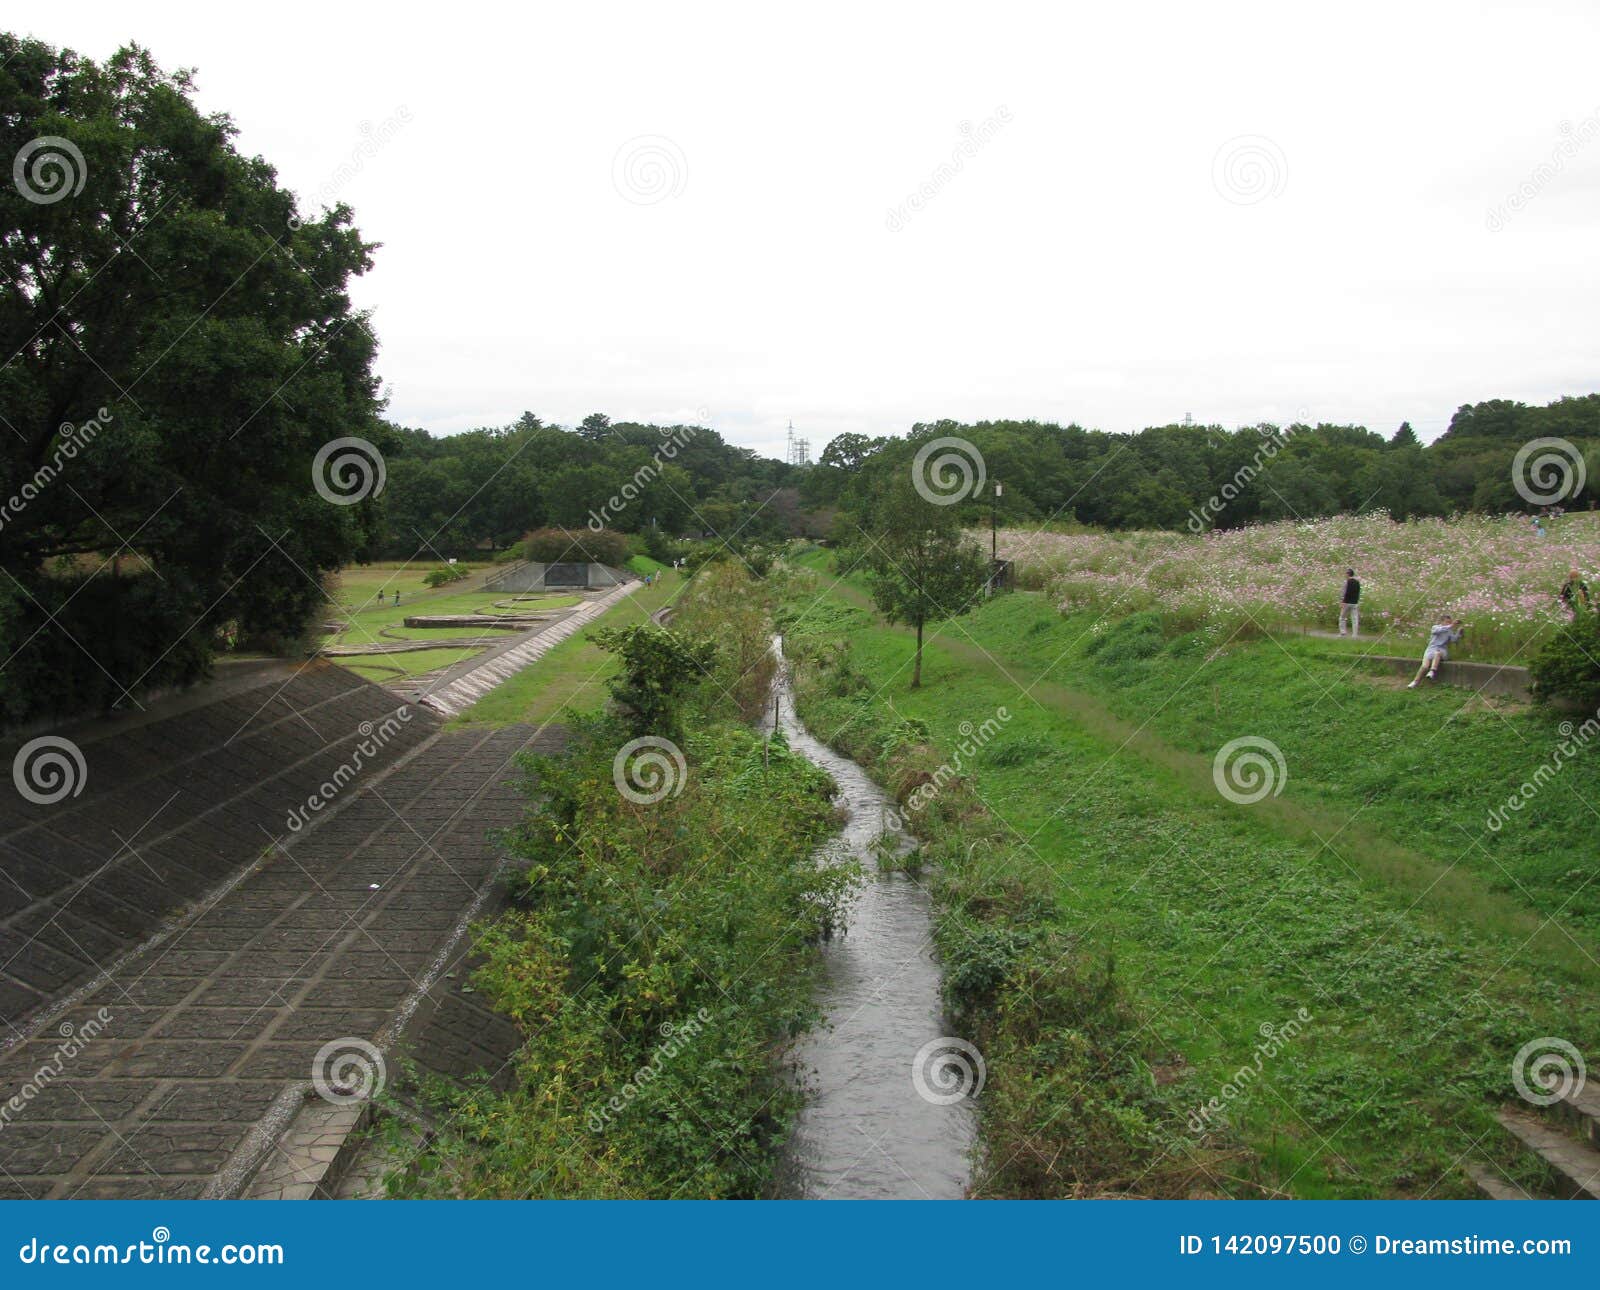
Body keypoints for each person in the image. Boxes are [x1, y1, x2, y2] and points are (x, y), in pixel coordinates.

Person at [1407, 618, 1464, 688]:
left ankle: (1432, 671)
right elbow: (1437, 631)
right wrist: (1452, 625)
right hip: (1431, 649)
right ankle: (1415, 682)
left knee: (1437, 653)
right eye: (1447, 622)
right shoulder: (1435, 627)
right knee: (1424, 666)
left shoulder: (1449, 631)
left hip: (1442, 650)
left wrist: (1458, 632)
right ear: (1442, 621)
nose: (1448, 623)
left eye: (1450, 622)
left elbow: (1453, 640)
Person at [1338, 568, 1361, 637]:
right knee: (1355, 619)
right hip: (1355, 603)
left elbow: (1344, 592)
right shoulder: (1357, 582)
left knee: (1342, 617)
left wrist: (1342, 601)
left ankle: (1343, 633)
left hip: (1346, 602)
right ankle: (1354, 635)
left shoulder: (1346, 582)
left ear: (1348, 574)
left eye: (1346, 573)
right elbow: (1358, 593)